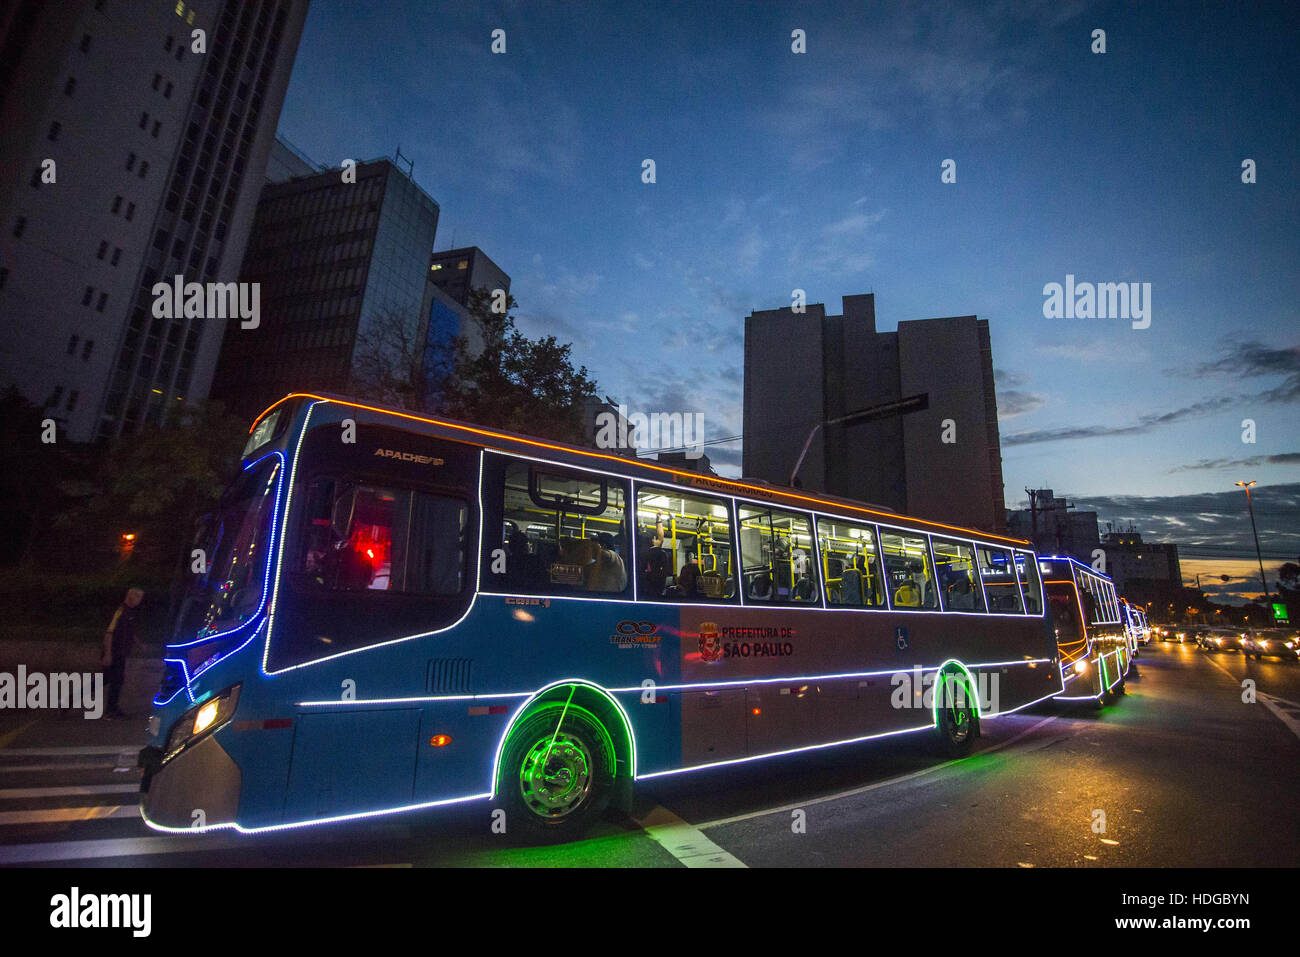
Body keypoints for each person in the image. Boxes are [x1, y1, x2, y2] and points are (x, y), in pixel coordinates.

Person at [102, 587, 143, 719]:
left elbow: (129, 631)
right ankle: (111, 710)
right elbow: (109, 634)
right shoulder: (121, 611)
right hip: (115, 652)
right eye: (138, 597)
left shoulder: (129, 612)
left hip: (120, 652)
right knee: (115, 681)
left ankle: (112, 708)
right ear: (130, 596)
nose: (139, 600)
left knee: (110, 680)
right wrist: (108, 654)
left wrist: (138, 644)